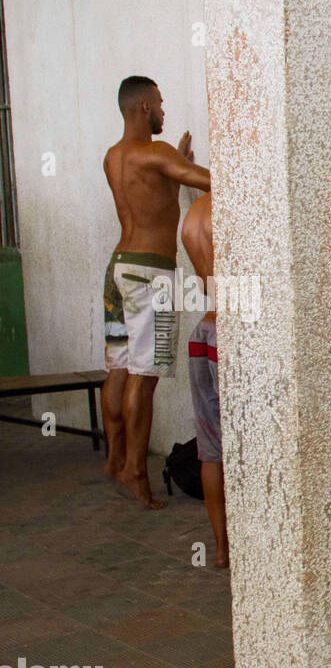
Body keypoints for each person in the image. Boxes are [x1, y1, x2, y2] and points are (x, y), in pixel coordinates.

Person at [102, 75, 210, 508]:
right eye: (160, 103)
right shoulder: (156, 153)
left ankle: (113, 459)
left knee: (119, 367)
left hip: (119, 268)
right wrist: (185, 166)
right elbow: (205, 181)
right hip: (152, 275)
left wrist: (171, 166)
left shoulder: (114, 157)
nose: (164, 111)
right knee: (144, 378)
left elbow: (149, 192)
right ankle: (135, 471)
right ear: (144, 106)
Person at [181, 193, 227, 567]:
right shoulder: (233, 205)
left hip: (203, 330)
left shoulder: (195, 212)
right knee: (244, 445)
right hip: (232, 332)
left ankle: (221, 548)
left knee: (211, 450)